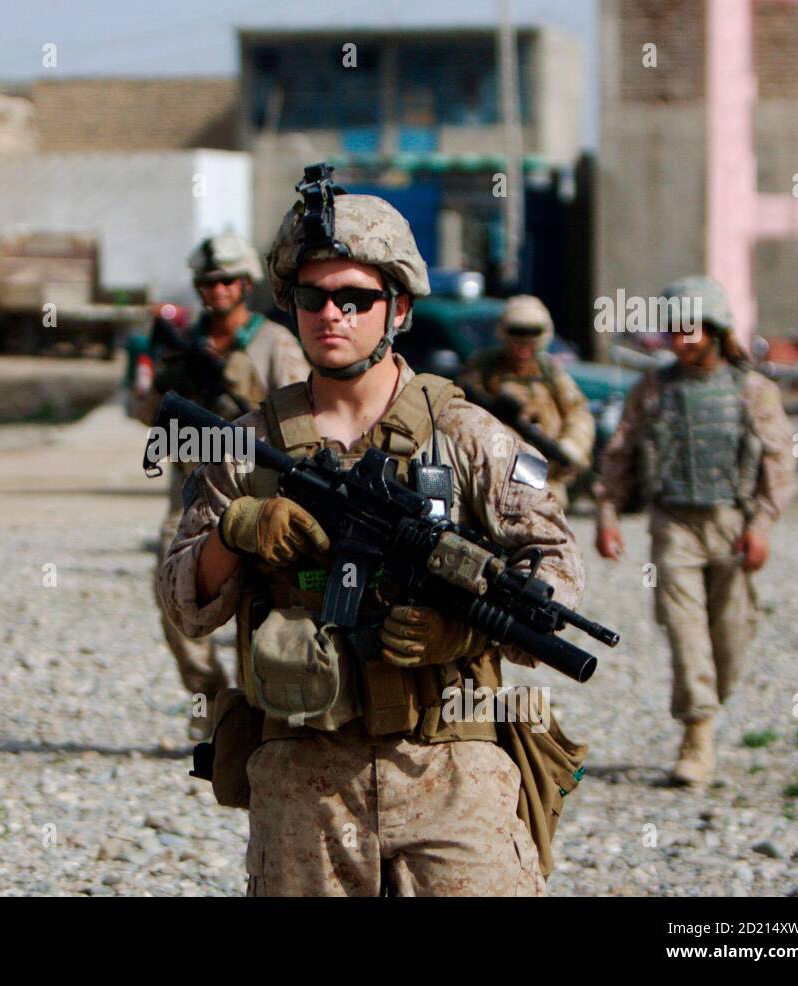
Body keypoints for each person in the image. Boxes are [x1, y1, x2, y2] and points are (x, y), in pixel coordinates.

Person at [157, 168, 585, 895]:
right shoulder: (246, 444)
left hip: (451, 767)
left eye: (356, 297)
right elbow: (182, 603)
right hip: (303, 779)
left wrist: (466, 633)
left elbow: (556, 570)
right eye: (312, 297)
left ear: (400, 307)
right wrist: (237, 529)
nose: (332, 314)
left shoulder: (473, 435)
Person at [594, 276, 796, 786]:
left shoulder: (753, 390)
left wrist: (762, 525)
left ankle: (709, 702)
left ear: (714, 328)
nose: (681, 341)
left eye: (690, 330)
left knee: (730, 637)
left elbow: (778, 461)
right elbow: (620, 451)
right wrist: (608, 513)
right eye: (673, 332)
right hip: (674, 525)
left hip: (732, 522)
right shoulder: (653, 389)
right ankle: (697, 734)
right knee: (686, 636)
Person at [133, 234, 311, 740]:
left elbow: (298, 422)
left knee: (264, 603)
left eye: (227, 280)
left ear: (247, 285)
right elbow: (151, 420)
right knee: (174, 591)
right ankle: (210, 699)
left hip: (257, 493)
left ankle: (263, 709)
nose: (217, 290)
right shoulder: (187, 345)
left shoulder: (274, 345)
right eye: (208, 282)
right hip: (192, 489)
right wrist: (164, 390)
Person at [457, 294, 595, 506]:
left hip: (546, 483)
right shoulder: (483, 370)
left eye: (531, 338)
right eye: (516, 337)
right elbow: (460, 413)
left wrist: (570, 447)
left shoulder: (550, 372)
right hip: (492, 485)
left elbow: (578, 413)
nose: (523, 348)